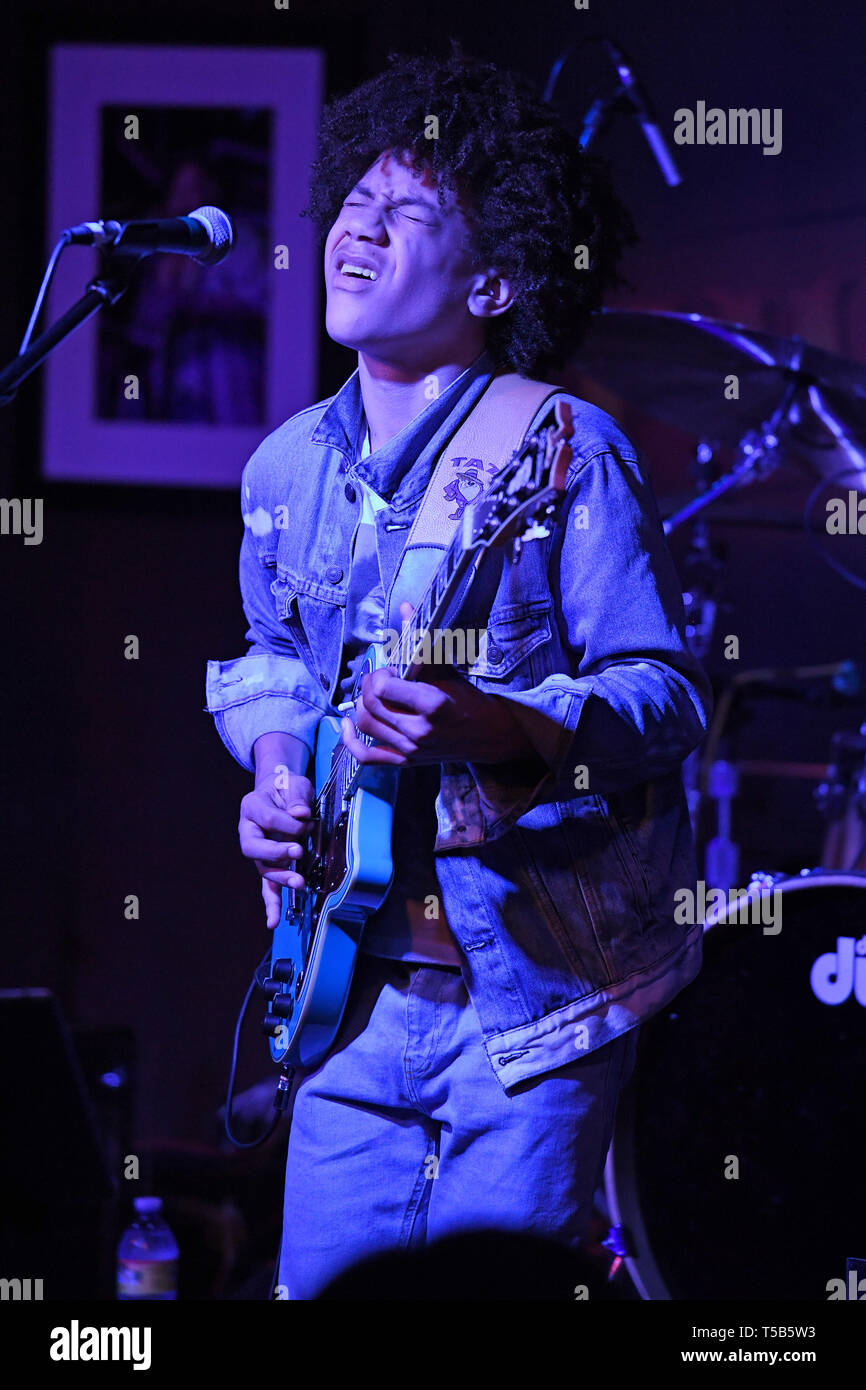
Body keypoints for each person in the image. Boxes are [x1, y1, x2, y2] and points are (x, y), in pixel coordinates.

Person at [205, 43, 713, 1300]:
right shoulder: (284, 469)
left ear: (491, 279)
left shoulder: (563, 453)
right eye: (354, 203)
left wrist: (502, 726)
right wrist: (275, 776)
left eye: (406, 212)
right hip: (340, 996)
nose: (356, 231)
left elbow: (665, 695)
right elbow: (271, 658)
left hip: (529, 1009)